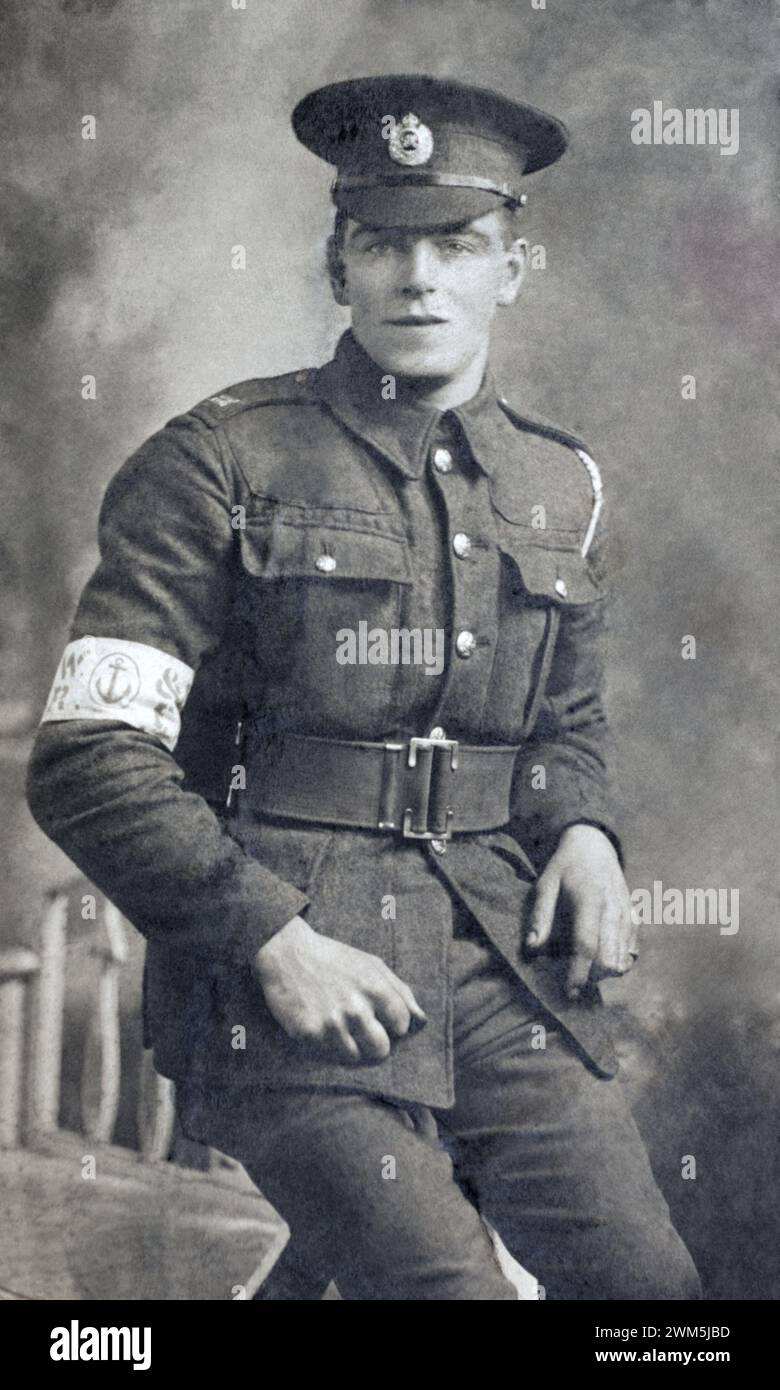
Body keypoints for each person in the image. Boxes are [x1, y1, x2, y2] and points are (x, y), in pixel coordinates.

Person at [26, 74, 702, 1300]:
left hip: (499, 969)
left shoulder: (564, 489)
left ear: (514, 267)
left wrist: (586, 830)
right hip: (281, 987)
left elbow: (564, 729)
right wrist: (273, 937)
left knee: (653, 1303)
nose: (419, 278)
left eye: (457, 244)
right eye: (383, 242)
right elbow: (88, 755)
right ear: (336, 266)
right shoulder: (217, 459)